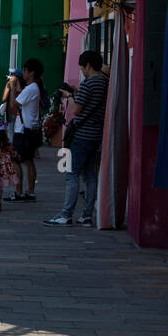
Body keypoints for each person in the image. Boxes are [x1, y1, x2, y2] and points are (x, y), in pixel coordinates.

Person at [46, 50, 110, 227]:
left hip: (82, 135)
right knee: (90, 175)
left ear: (88, 65)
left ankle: (66, 214)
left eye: (82, 67)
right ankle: (87, 215)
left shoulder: (89, 84)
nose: (81, 70)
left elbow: (76, 110)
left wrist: (70, 96)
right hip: (96, 135)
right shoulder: (106, 83)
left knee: (71, 173)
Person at [9, 58, 46, 201]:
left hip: (23, 131)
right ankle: (30, 192)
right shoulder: (35, 87)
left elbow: (14, 105)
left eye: (25, 70)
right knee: (28, 160)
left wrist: (12, 87)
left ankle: (19, 192)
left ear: (31, 73)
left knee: (16, 160)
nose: (23, 73)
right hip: (29, 129)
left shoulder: (31, 88)